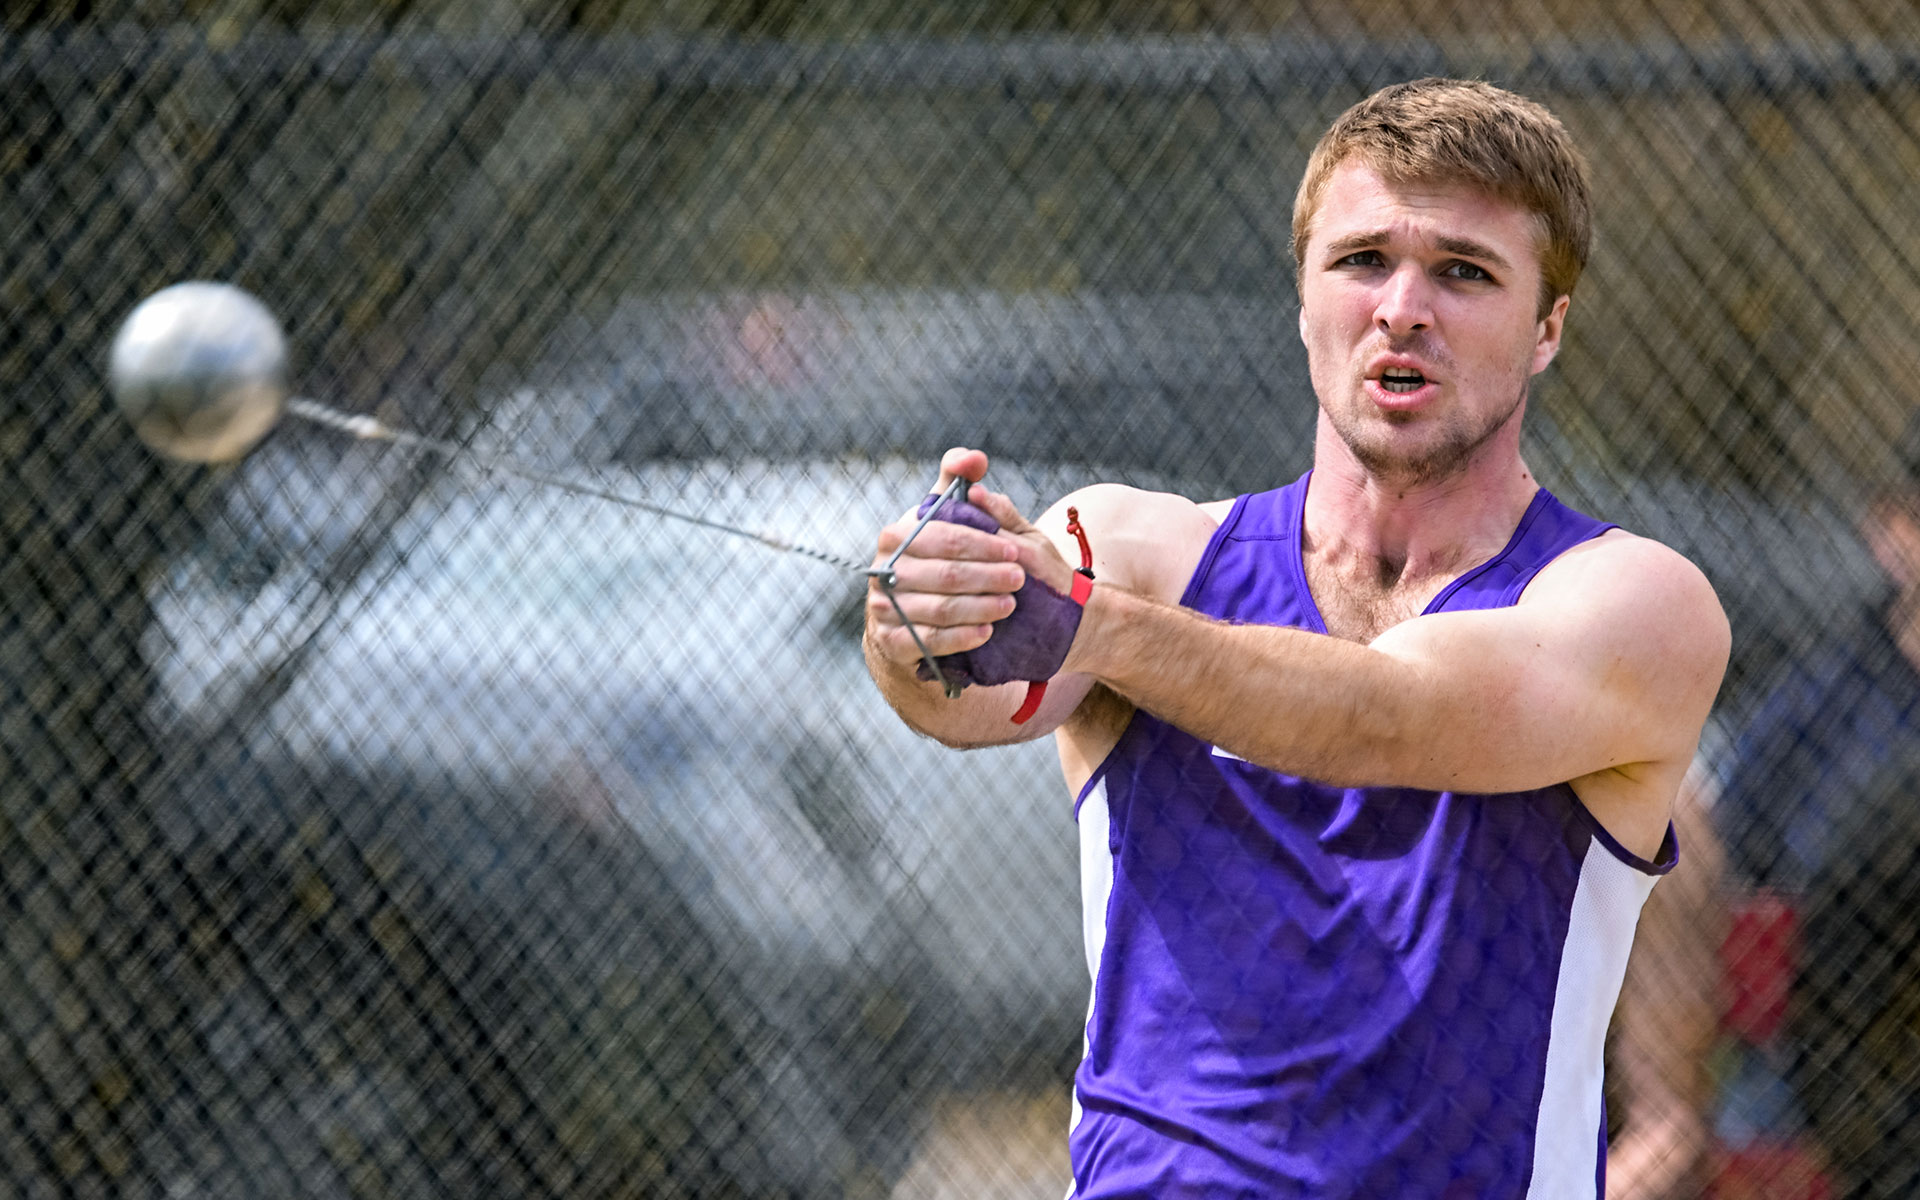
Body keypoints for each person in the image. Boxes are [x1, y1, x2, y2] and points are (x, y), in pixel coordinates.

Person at [864, 78, 1729, 1198]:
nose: (1403, 308)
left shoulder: (1634, 603)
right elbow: (964, 700)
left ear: (1548, 328)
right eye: (1362, 261)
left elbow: (1392, 714)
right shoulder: (1140, 547)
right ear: (1303, 297)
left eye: (1464, 272)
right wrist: (921, 621)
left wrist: (1091, 627)